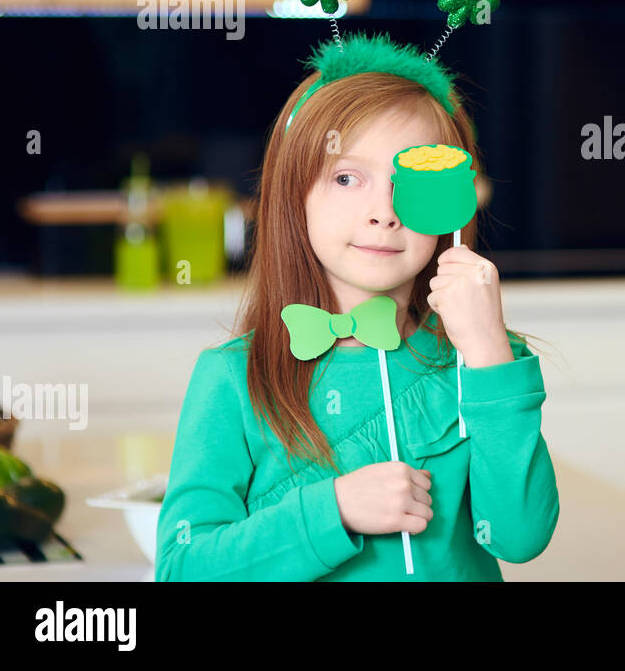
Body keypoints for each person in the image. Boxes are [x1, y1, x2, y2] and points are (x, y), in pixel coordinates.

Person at [155, 33, 559, 580]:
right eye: (347, 178)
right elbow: (183, 569)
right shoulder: (233, 378)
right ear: (293, 196)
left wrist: (489, 352)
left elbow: (520, 536)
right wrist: (335, 510)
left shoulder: (482, 360)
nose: (383, 213)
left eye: (411, 183)